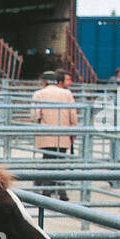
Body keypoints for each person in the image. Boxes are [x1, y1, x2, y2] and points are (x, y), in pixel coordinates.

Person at [30, 71, 78, 201]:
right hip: (62, 133)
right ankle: (62, 191)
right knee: (60, 161)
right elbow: (73, 114)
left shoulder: (39, 94)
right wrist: (74, 130)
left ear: (44, 81)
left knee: (47, 160)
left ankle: (46, 191)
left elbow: (34, 115)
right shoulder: (67, 93)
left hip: (46, 133)